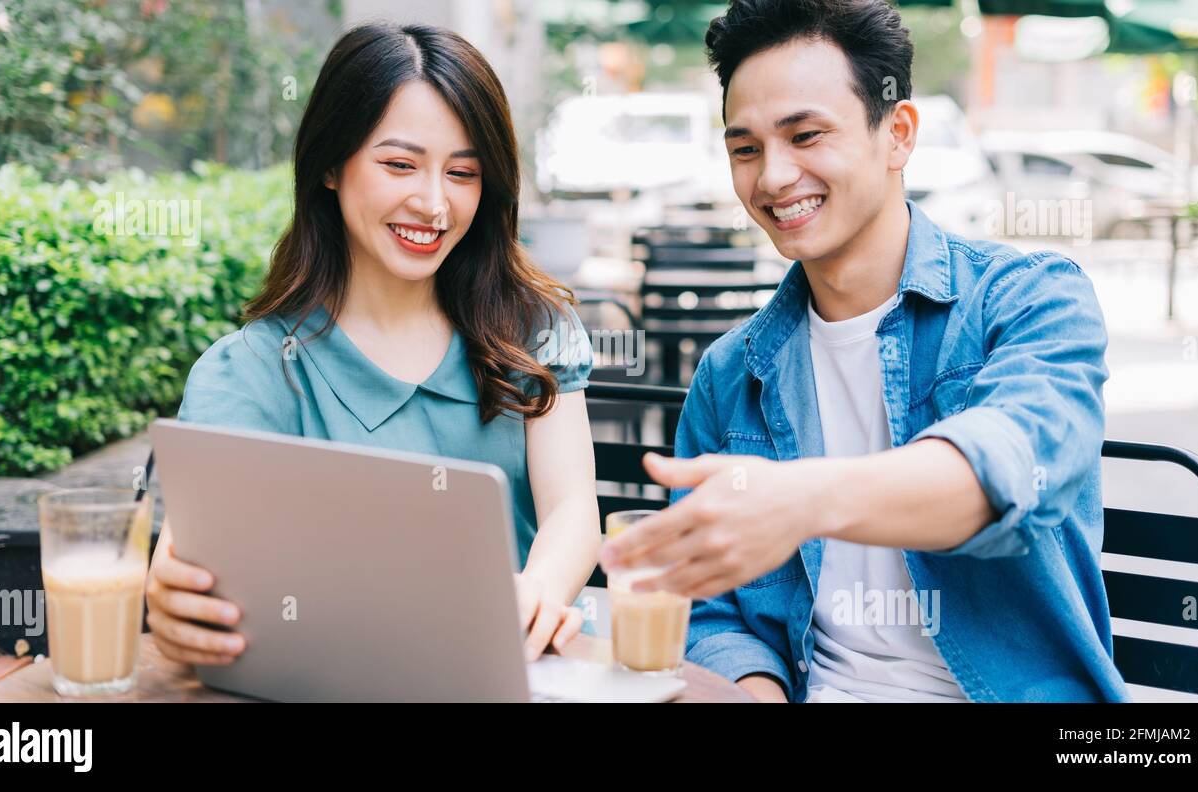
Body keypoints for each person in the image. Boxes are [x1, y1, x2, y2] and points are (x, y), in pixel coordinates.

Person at [600, 0, 1130, 703]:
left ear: (898, 133)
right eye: (746, 149)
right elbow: (713, 610)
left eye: (806, 135)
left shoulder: (1031, 300)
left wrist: (800, 501)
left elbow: (1005, 475)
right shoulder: (732, 373)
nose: (774, 177)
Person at [145, 23, 601, 668]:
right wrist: (176, 594)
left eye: (464, 173)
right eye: (398, 164)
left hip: (510, 671)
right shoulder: (250, 372)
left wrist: (536, 596)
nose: (434, 204)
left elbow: (573, 510)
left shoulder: (532, 328)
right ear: (331, 164)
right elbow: (200, 551)